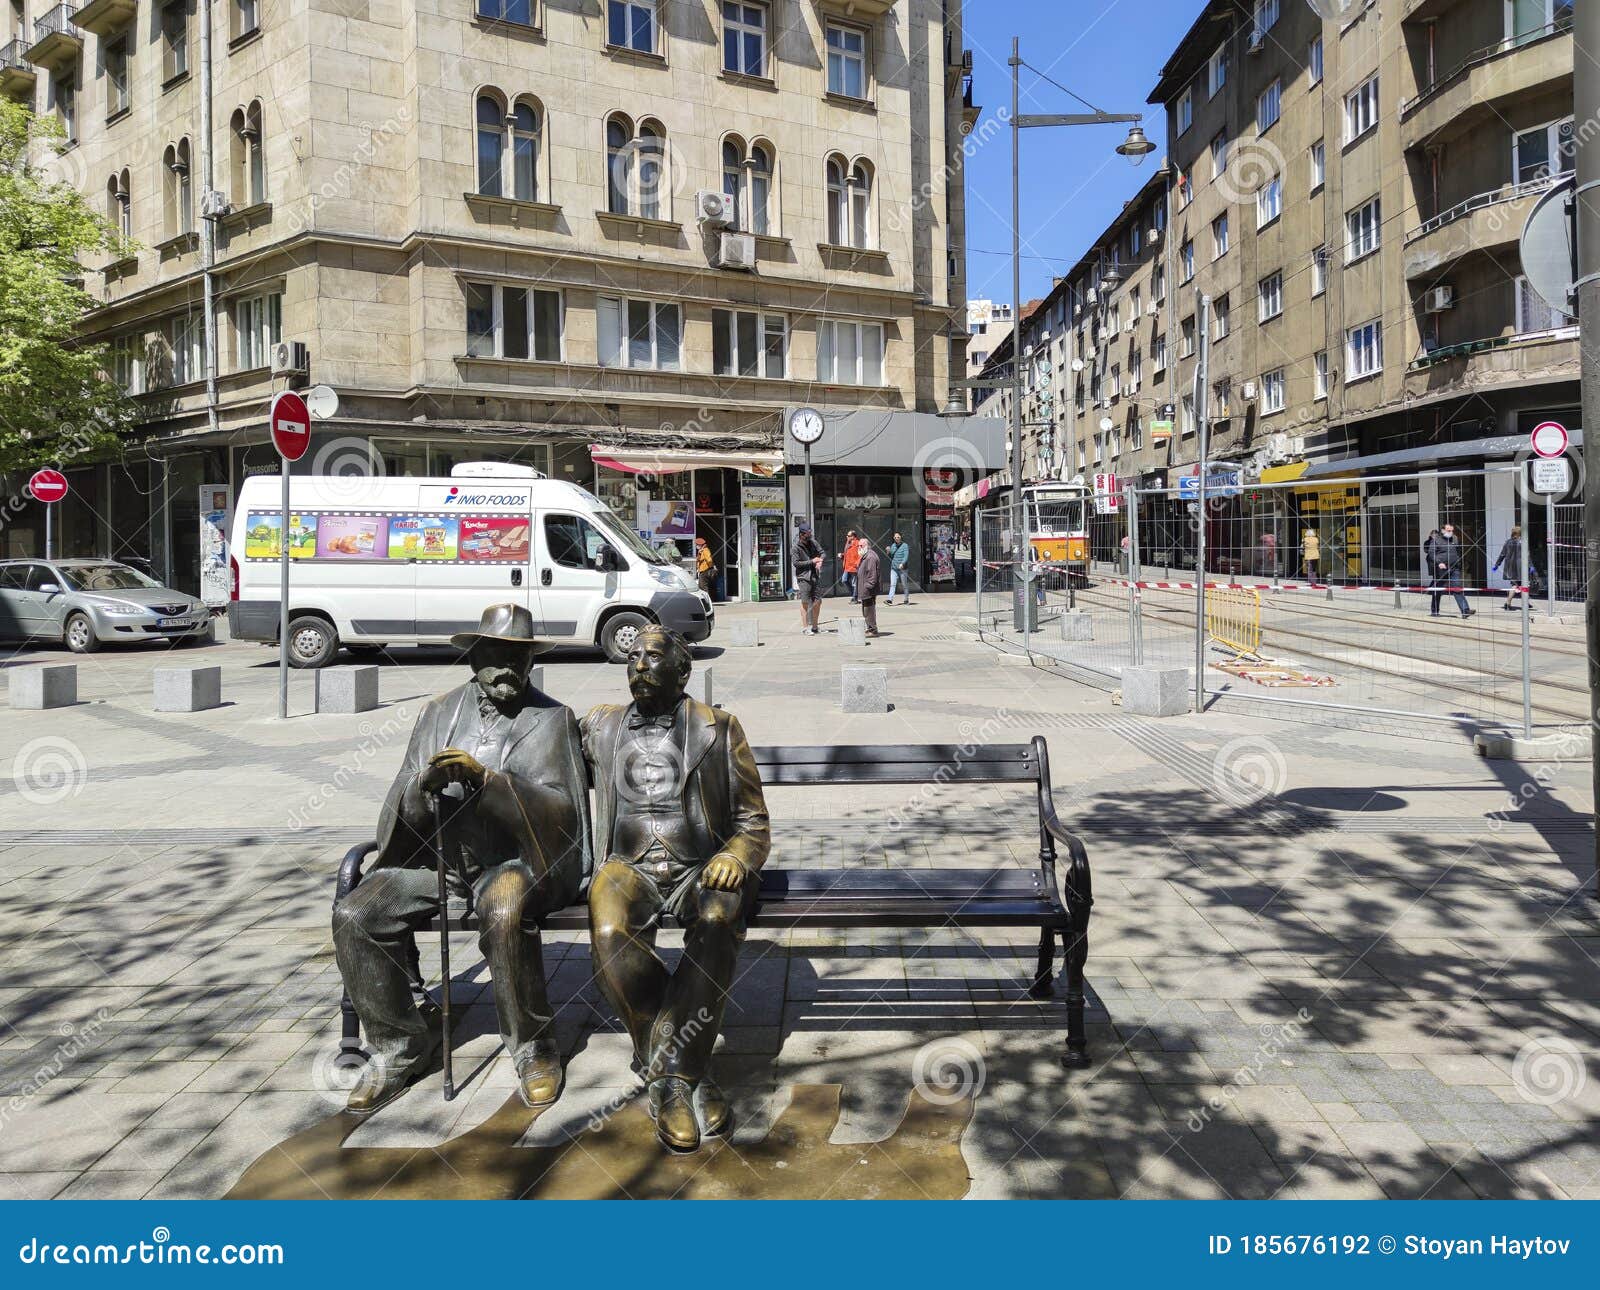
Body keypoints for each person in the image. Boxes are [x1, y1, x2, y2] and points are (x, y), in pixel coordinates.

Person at [332, 604, 591, 1113]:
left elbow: (565, 814)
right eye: (496, 657)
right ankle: (400, 1044)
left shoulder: (552, 719)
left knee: (504, 910)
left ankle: (533, 1047)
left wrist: (487, 782)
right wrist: (422, 790)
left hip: (513, 862)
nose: (508, 670)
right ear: (474, 657)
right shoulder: (438, 714)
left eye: (519, 659)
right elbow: (401, 797)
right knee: (356, 914)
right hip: (440, 861)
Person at [582, 627, 770, 1153]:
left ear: (683, 671)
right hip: (627, 866)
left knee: (717, 920)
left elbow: (753, 820)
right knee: (608, 927)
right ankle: (688, 1069)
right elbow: (544, 768)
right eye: (633, 656)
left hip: (701, 865)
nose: (640, 665)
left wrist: (734, 855)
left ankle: (669, 1076)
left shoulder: (720, 728)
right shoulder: (601, 726)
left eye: (653, 657)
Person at [1425, 523, 1474, 618]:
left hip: (1454, 568)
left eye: (1452, 530)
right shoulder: (1436, 540)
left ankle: (1465, 610)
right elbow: (1431, 553)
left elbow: (1458, 551)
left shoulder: (1454, 538)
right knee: (1438, 590)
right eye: (1448, 531)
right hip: (1441, 569)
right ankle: (1434, 611)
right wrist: (1439, 562)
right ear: (1443, 531)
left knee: (1457, 588)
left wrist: (1459, 561)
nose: (1451, 533)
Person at [791, 522, 824, 634]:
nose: (809, 534)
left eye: (810, 532)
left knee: (818, 601)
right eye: (807, 533)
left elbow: (822, 553)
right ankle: (805, 628)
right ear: (802, 534)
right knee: (805, 602)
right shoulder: (796, 547)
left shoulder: (813, 542)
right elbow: (796, 563)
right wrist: (812, 561)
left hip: (815, 575)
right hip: (803, 577)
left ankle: (815, 627)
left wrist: (820, 561)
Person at [856, 534, 883, 637]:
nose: (859, 547)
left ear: (867, 546)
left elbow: (872, 575)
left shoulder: (870, 557)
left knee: (869, 610)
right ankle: (870, 628)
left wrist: (867, 587)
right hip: (866, 589)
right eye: (858, 546)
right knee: (866, 610)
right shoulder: (866, 556)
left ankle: (873, 629)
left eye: (861, 546)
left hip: (869, 590)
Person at [1494, 526, 1526, 611]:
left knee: (1516, 585)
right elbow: (1527, 555)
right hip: (1519, 567)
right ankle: (1508, 603)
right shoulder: (1522, 542)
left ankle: (1524, 603)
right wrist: (1531, 566)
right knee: (1516, 585)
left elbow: (1502, 554)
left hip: (1510, 567)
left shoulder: (1507, 542)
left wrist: (1497, 564)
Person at [886, 531, 912, 605]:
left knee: (904, 584)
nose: (896, 538)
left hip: (902, 568)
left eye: (898, 537)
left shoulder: (905, 545)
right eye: (895, 537)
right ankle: (890, 599)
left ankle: (906, 599)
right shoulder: (893, 545)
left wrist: (902, 563)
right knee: (892, 584)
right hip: (894, 568)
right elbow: (891, 556)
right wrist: (888, 551)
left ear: (901, 537)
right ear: (894, 538)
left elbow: (906, 556)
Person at [841, 529, 861, 602]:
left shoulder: (858, 544)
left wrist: (857, 564)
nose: (847, 537)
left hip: (854, 567)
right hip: (847, 566)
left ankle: (855, 598)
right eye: (847, 535)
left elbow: (860, 555)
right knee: (844, 580)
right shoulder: (848, 543)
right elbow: (848, 554)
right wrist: (842, 555)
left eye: (848, 536)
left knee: (854, 583)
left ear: (853, 536)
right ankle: (854, 595)